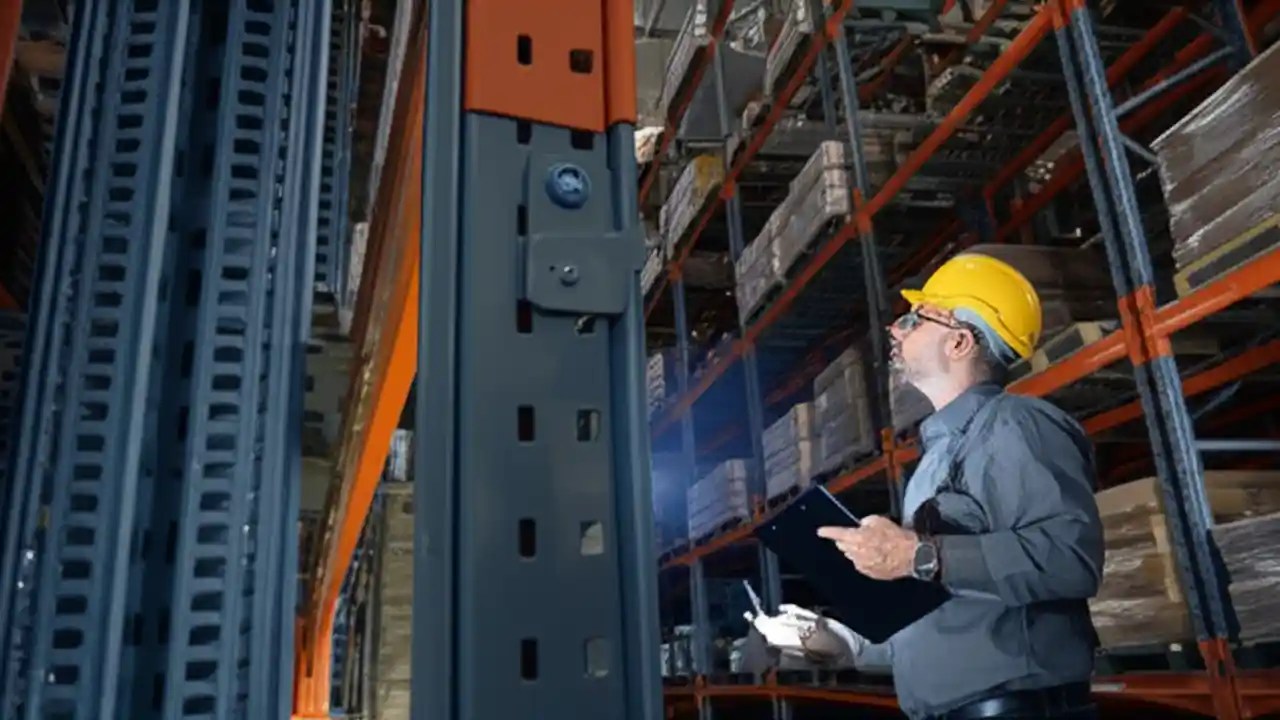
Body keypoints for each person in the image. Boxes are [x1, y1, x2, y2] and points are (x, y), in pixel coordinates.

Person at [750, 252, 1105, 720]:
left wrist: (919, 555)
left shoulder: (1015, 424)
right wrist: (840, 643)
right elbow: (944, 615)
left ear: (959, 343)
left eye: (914, 319)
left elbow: (1070, 560)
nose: (895, 331)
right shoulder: (935, 461)